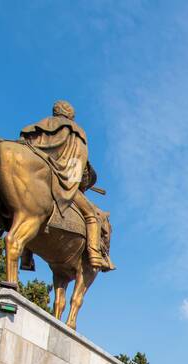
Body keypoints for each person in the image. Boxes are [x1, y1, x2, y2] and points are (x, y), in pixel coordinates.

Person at [19, 100, 114, 271]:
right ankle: (95, 255)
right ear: (71, 115)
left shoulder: (37, 128)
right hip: (61, 182)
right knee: (92, 215)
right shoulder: (75, 132)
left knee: (24, 211)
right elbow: (80, 166)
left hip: (34, 178)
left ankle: (26, 256)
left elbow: (22, 149)